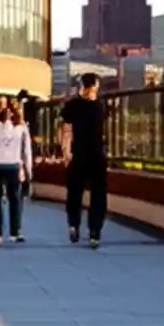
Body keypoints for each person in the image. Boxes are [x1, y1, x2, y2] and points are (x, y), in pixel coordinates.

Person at [61, 73, 108, 248]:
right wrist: (66, 152)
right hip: (86, 153)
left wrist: (66, 153)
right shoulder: (91, 105)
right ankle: (80, 226)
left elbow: (66, 130)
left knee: (90, 193)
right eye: (95, 87)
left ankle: (91, 229)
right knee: (82, 192)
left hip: (90, 154)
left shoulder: (91, 105)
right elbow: (66, 130)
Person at [0, 97, 32, 244]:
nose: (3, 109)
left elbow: (26, 150)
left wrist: (27, 170)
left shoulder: (20, 126)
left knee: (15, 200)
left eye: (5, 106)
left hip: (13, 166)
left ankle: (15, 231)